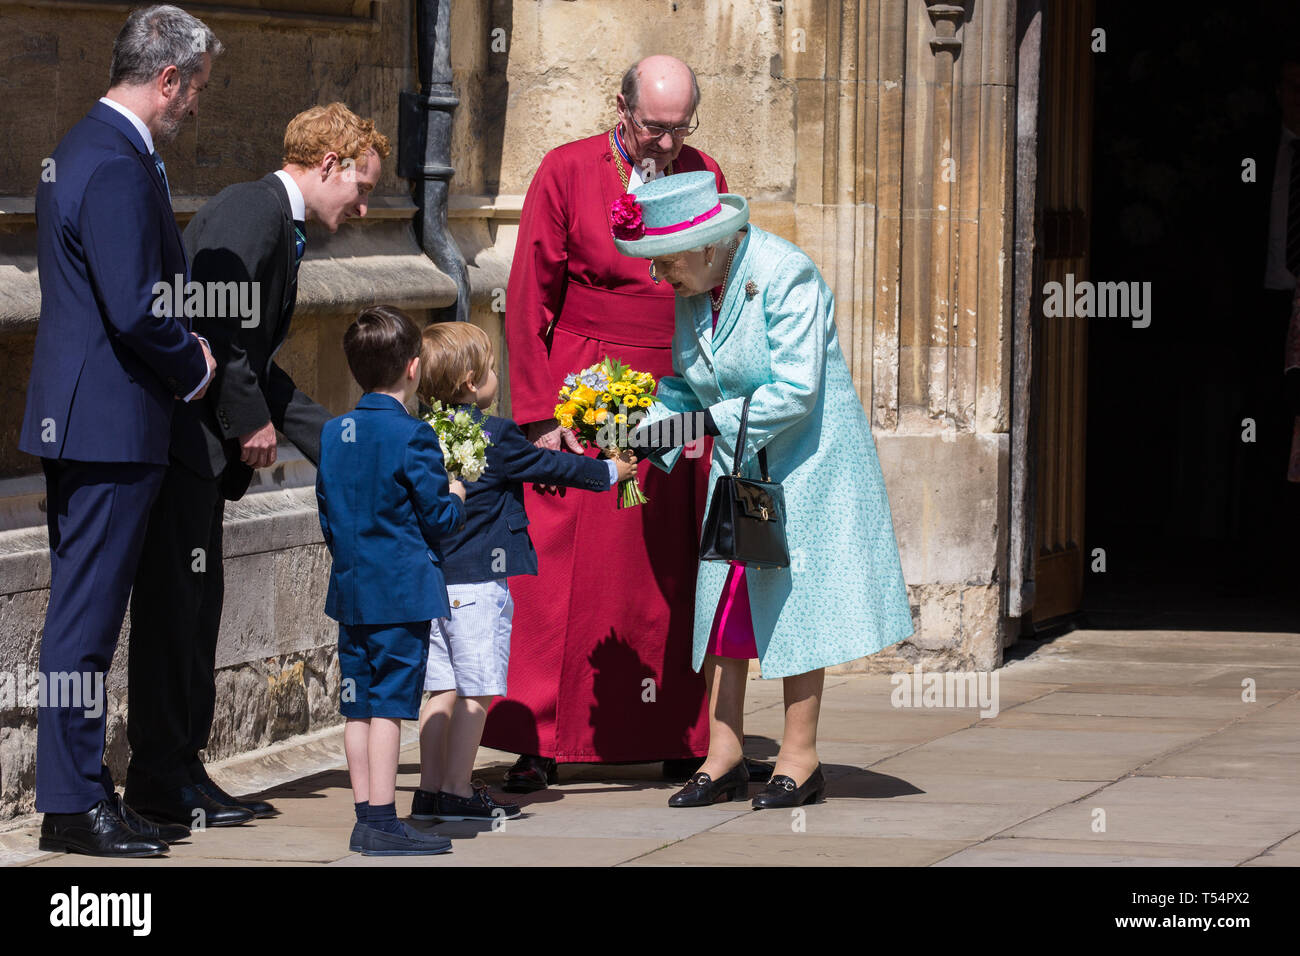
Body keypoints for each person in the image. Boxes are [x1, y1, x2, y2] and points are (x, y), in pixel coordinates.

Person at [126, 103, 391, 830]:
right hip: (184, 449)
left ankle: (183, 768)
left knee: (196, 614)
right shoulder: (253, 210)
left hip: (199, 456)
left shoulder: (275, 221)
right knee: (173, 615)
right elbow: (214, 330)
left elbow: (255, 360)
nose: (364, 206)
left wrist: (331, 438)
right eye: (361, 186)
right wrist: (247, 418)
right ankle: (156, 777)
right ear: (329, 163)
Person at [613, 171, 914, 808]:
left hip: (806, 466)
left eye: (666, 262)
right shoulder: (695, 287)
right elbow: (689, 385)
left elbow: (797, 391)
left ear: (704, 244)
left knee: (794, 609)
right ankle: (723, 757)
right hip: (740, 464)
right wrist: (637, 427)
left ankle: (800, 760)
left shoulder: (786, 273)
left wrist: (692, 425)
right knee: (725, 613)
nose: (660, 275)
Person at [486, 54, 736, 791]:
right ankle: (537, 737)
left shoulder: (706, 171)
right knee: (560, 568)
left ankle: (684, 736)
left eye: (680, 126)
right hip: (584, 386)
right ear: (619, 106)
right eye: (655, 127)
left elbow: (718, 286)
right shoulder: (564, 170)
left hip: (677, 384)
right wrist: (535, 417)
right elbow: (531, 292)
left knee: (668, 563)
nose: (667, 143)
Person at [18, 4, 220, 857]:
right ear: (166, 78)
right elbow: (135, 307)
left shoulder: (96, 150)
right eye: (196, 90)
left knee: (91, 620)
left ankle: (88, 789)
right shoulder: (109, 160)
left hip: (104, 422)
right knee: (85, 623)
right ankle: (69, 805)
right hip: (106, 425)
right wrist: (196, 363)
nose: (196, 108)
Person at [410, 322, 638, 822]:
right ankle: (458, 791)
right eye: (492, 369)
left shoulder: (421, 433)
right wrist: (609, 473)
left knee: (441, 688)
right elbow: (551, 468)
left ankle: (428, 791)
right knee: (478, 690)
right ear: (472, 382)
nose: (498, 376)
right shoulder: (496, 434)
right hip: (477, 585)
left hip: (430, 582)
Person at [316, 305, 467, 856]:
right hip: (400, 594)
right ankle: (382, 820)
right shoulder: (415, 436)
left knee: (357, 703)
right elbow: (439, 521)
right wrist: (456, 494)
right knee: (390, 705)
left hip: (353, 589)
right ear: (414, 367)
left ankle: (365, 816)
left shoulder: (334, 434)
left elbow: (329, 516)